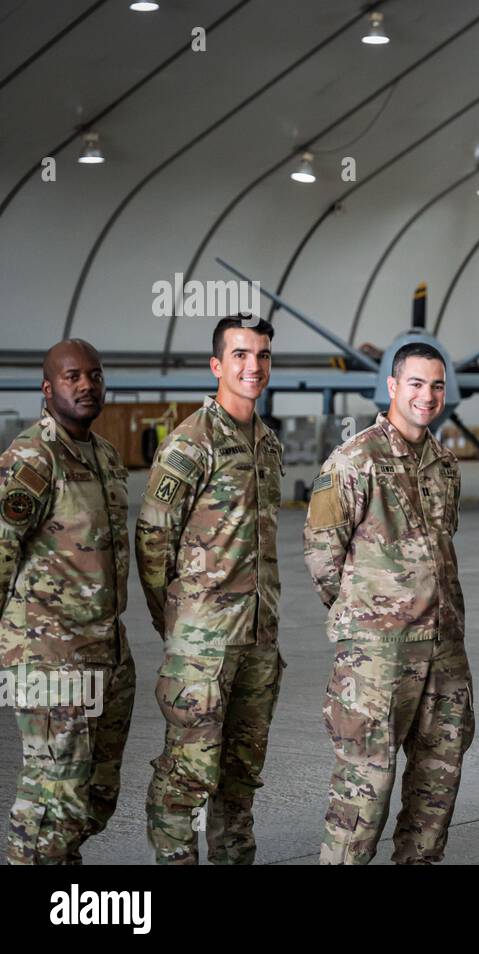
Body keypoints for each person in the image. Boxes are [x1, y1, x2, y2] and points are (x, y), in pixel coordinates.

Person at [305, 342, 474, 865]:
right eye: (417, 384)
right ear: (393, 386)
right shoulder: (355, 461)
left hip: (444, 656)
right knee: (363, 796)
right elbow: (321, 557)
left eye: (437, 385)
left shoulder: (445, 466)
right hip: (378, 661)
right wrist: (369, 619)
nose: (427, 396)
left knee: (435, 792)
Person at [136, 316, 285, 864]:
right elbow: (153, 538)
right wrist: (178, 622)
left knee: (241, 778)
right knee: (187, 777)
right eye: (242, 355)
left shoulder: (267, 445)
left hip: (258, 642)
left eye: (263, 355)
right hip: (203, 647)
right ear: (217, 365)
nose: (254, 366)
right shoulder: (191, 443)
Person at [0, 339, 134, 864]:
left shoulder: (104, 456)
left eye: (94, 376)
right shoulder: (32, 458)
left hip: (105, 650)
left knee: (91, 799)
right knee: (52, 796)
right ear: (48, 387)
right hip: (49, 655)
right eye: (73, 376)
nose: (86, 385)